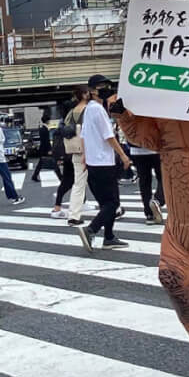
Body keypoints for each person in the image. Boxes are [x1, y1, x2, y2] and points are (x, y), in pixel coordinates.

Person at [74, 74, 132, 251]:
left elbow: (84, 135)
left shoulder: (89, 110)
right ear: (92, 91)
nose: (106, 89)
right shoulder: (98, 110)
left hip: (93, 163)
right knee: (112, 203)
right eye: (101, 86)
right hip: (104, 163)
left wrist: (85, 157)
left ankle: (109, 237)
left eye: (107, 85)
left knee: (106, 203)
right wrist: (123, 155)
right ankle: (91, 230)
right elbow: (109, 136)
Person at [60, 87, 91, 223]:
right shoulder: (89, 110)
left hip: (76, 151)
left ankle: (73, 215)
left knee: (78, 184)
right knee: (103, 181)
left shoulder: (71, 112)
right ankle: (114, 208)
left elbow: (66, 129)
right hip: (91, 151)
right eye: (87, 92)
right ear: (84, 95)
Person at [127, 136, 165, 222]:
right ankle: (158, 200)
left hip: (136, 149)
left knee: (144, 182)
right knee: (163, 178)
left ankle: (149, 214)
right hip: (155, 147)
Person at [24, 108, 56, 188]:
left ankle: (34, 176)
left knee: (41, 163)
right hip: (45, 149)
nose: (49, 122)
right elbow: (46, 141)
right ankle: (60, 175)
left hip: (43, 149)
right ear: (47, 121)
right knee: (53, 162)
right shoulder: (44, 129)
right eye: (49, 120)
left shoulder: (42, 128)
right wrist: (49, 149)